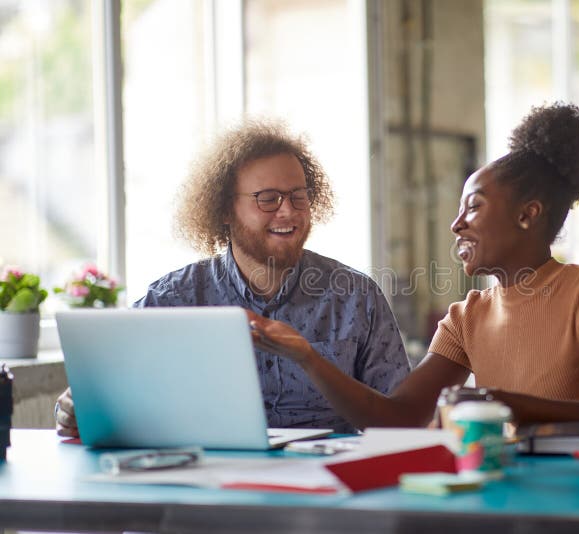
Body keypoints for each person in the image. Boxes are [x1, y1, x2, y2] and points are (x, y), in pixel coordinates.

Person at [247, 103, 579, 435]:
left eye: (473, 206)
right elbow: (397, 417)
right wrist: (307, 358)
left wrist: (498, 403)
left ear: (527, 214)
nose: (457, 225)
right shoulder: (467, 317)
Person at [55, 120, 410, 436]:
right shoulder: (172, 300)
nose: (287, 211)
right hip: (211, 487)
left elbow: (401, 420)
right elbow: (92, 395)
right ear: (225, 209)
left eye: (298, 196)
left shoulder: (357, 296)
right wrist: (74, 409)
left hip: (332, 488)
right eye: (267, 199)